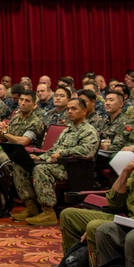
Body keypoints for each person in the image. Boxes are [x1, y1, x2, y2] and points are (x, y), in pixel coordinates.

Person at [59, 125, 134, 262]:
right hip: (125, 217)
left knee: (94, 226)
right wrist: (125, 172)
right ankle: (72, 265)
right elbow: (114, 202)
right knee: (68, 215)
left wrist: (113, 222)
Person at [11, 97, 99, 226]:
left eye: (74, 109)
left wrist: (62, 153)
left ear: (84, 111)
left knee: (40, 169)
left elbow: (87, 151)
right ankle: (31, 206)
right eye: (68, 109)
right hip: (57, 164)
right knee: (20, 165)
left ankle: (48, 211)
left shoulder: (89, 131)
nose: (70, 111)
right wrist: (41, 157)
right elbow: (54, 149)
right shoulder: (67, 130)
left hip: (73, 168)